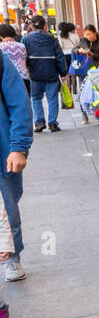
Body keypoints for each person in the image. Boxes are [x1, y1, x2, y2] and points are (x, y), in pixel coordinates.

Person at [0, 51, 33, 283]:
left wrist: (18, 147)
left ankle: (12, 257)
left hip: (2, 155)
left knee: (7, 211)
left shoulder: (1, 61)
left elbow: (19, 102)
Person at [22, 16, 66, 132]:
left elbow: (23, 57)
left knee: (35, 98)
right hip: (51, 73)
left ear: (31, 26)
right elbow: (60, 57)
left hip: (35, 74)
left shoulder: (26, 39)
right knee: (52, 98)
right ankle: (52, 123)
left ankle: (39, 122)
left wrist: (26, 70)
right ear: (45, 26)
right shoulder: (52, 39)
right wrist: (63, 72)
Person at [0, 24, 29, 93]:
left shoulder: (1, 47)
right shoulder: (22, 46)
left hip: (8, 80)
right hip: (23, 79)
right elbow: (25, 59)